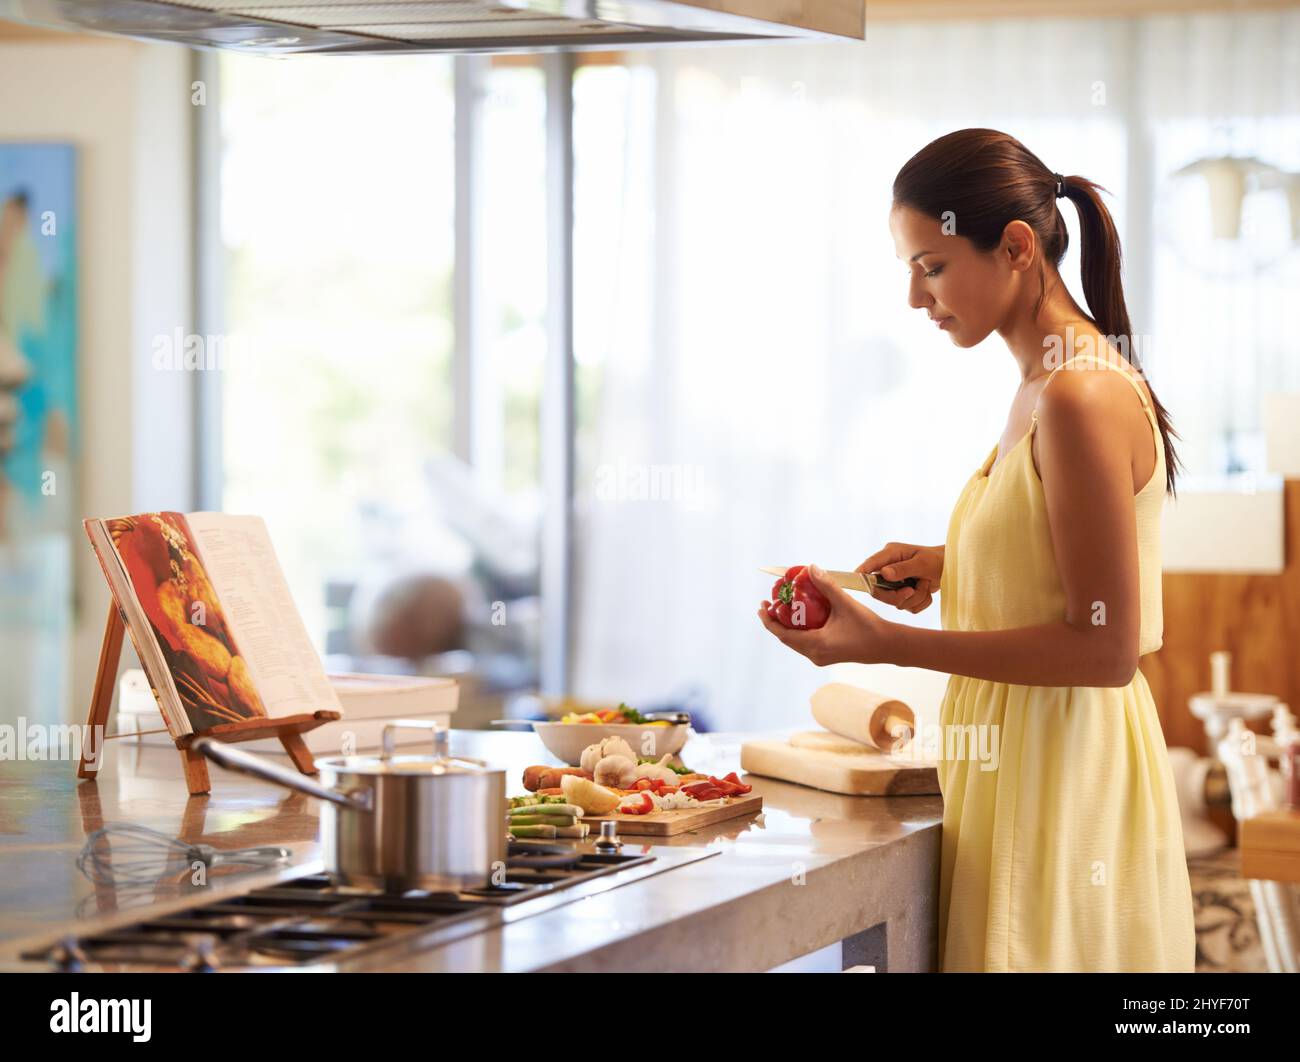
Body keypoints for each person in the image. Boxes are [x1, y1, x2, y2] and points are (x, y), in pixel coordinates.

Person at [757, 128, 1196, 973]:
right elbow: (1069, 563)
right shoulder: (1042, 385)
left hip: (1067, 775)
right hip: (1025, 761)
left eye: (931, 264)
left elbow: (1104, 646)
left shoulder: (1077, 396)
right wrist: (955, 562)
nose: (917, 298)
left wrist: (891, 645)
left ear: (1017, 247)